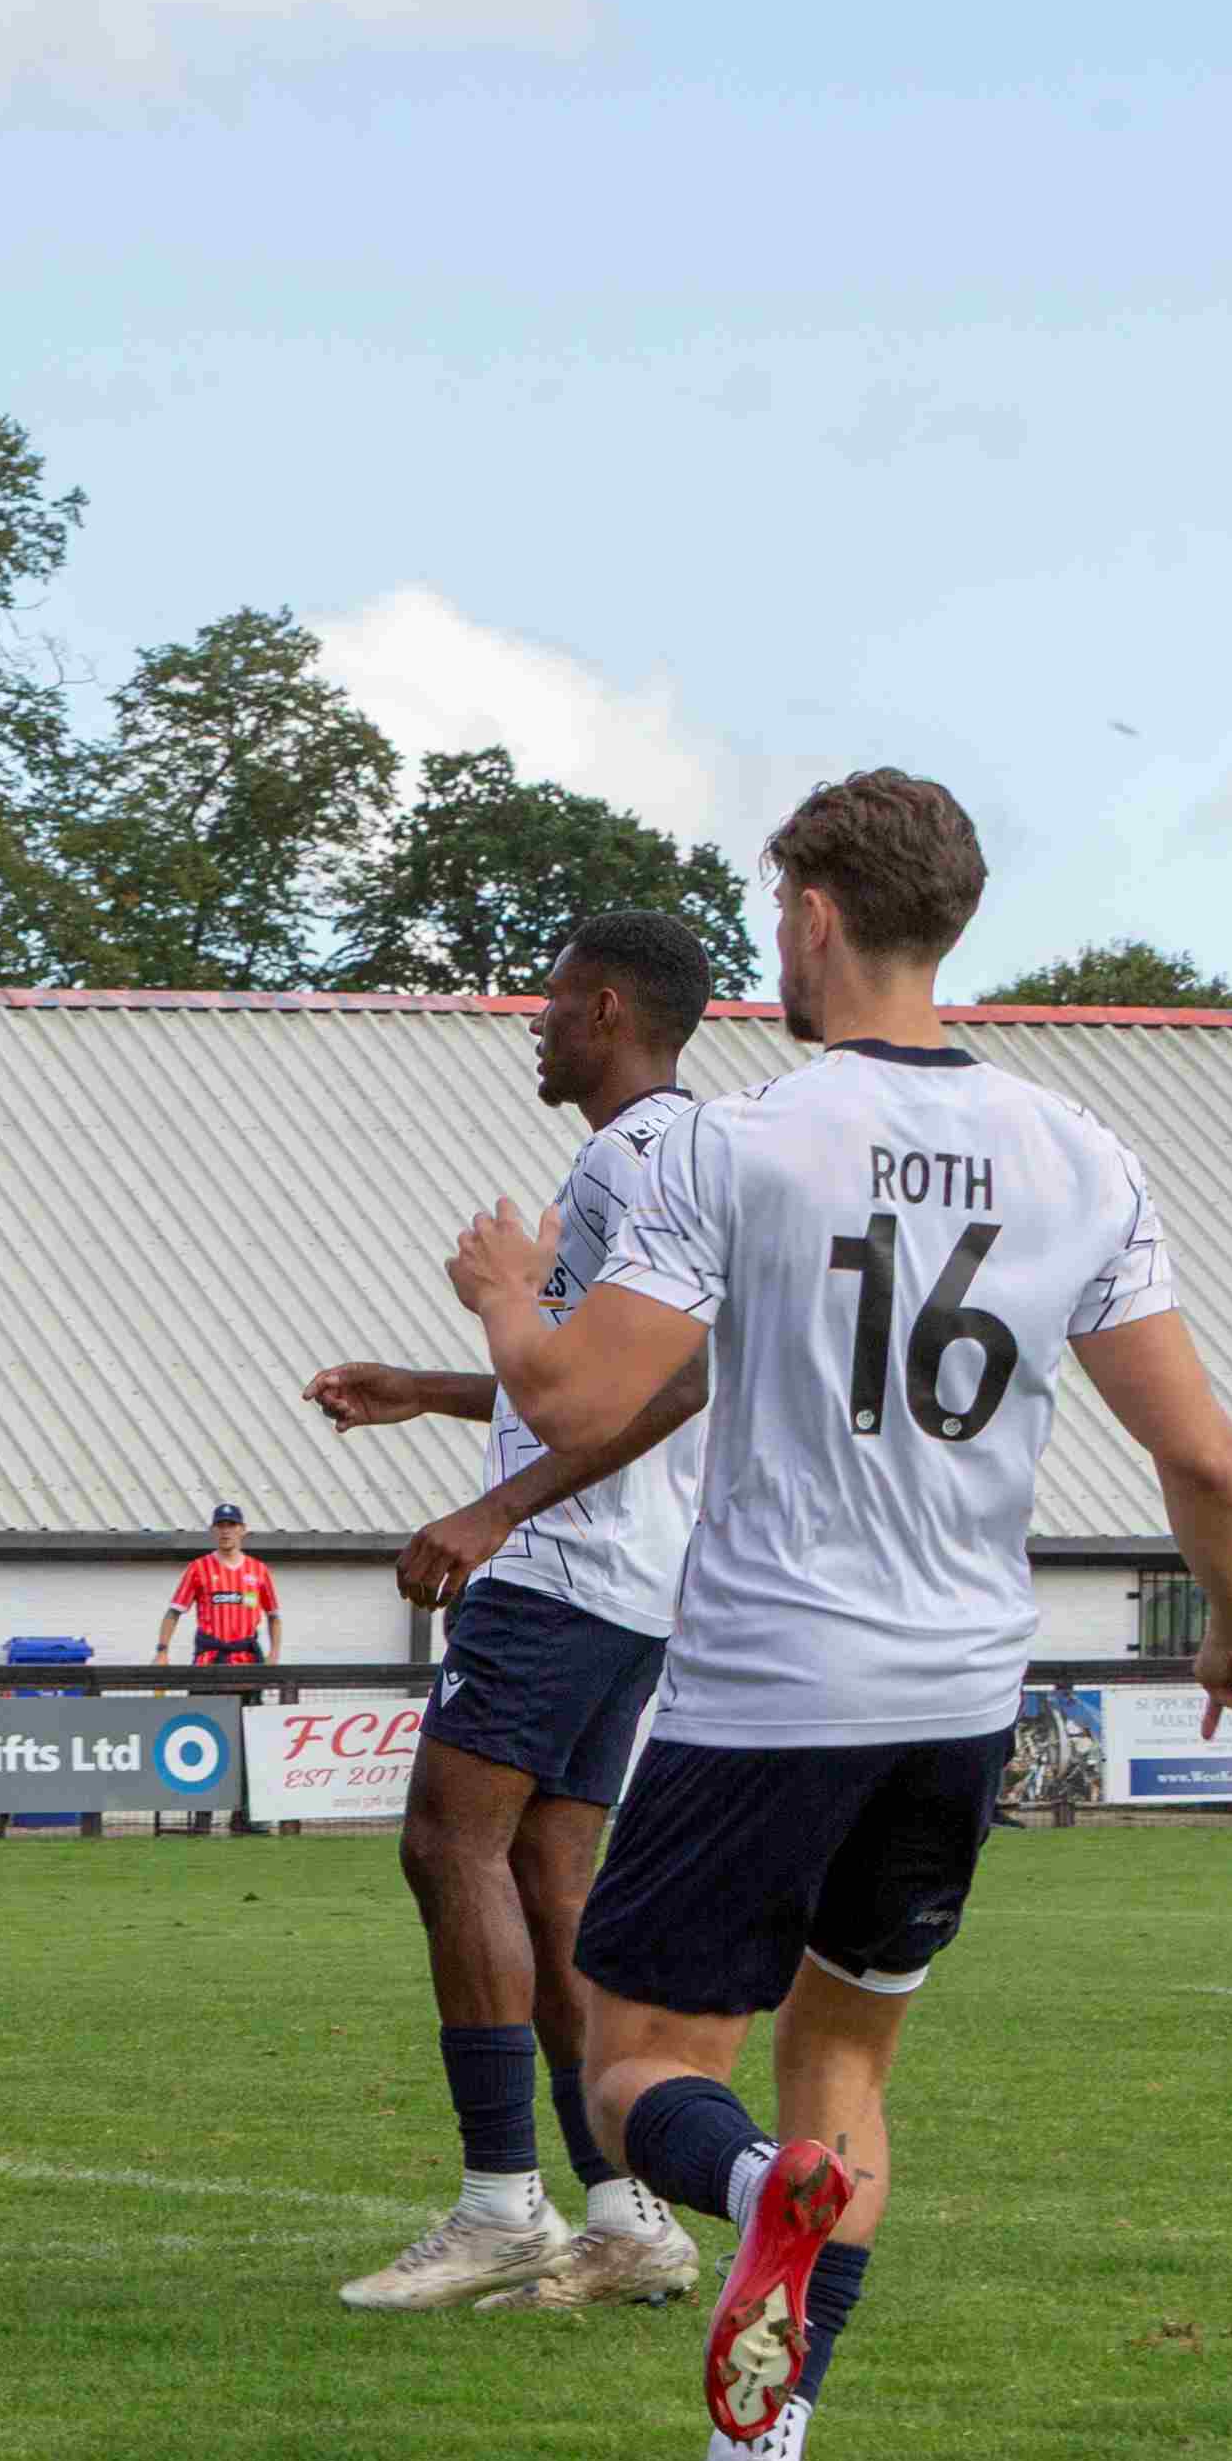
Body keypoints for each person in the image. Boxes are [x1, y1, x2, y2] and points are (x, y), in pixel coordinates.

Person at [458, 768, 1232, 2461]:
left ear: (813, 916)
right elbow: (1203, 1455)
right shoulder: (1086, 1155)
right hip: (964, 1693)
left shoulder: (740, 1142)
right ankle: (763, 2449)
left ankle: (745, 2195)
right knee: (850, 2068)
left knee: (642, 2061)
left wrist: (508, 1287)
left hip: (769, 1686)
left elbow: (582, 1389)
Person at [303, 908, 723, 2312]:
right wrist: (431, 1389)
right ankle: (626, 2211)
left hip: (563, 1570)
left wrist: (497, 1510)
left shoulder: (623, 1159)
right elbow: (627, 1379)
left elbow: (659, 1389)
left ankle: (500, 2206)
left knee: (445, 1845)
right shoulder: (698, 1154)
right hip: (638, 1580)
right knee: (549, 1886)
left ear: (605, 1011)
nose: (533, 1022)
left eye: (550, 1001)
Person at [154, 1505, 281, 1672]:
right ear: (213, 1530)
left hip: (248, 1663)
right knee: (206, 1699)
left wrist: (273, 1655)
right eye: (221, 1526)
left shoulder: (258, 1570)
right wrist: (162, 1652)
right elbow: (174, 1612)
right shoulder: (198, 1568)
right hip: (208, 1661)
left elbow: (273, 1616)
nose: (226, 1531)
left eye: (232, 1525)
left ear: (242, 1530)